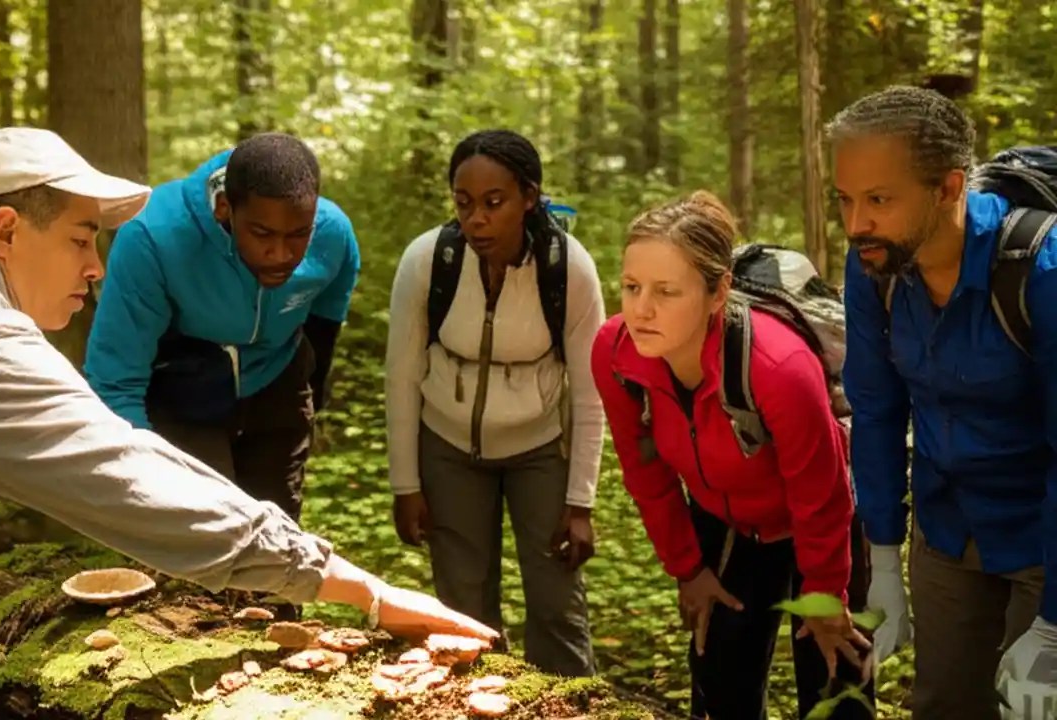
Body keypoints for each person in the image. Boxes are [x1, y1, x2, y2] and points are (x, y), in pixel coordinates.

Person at [0, 128, 494, 720]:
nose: (96, 268)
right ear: (4, 231)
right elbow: (130, 473)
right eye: (81, 238)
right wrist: (365, 591)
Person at [590, 191, 871, 719]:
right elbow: (645, 471)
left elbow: (823, 492)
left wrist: (828, 592)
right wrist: (687, 569)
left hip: (829, 524)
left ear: (718, 293)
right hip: (727, 523)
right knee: (721, 689)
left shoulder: (778, 366)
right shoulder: (615, 352)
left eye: (667, 291)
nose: (641, 309)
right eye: (631, 287)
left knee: (836, 686)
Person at [831, 85, 1057, 719]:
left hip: (1043, 533)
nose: (856, 225)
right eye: (845, 200)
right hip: (946, 525)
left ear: (949, 188)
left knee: (1032, 707)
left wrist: (1054, 627)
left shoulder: (1041, 272)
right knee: (942, 705)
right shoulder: (874, 264)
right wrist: (880, 556)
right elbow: (875, 410)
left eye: (879, 200)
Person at [384, 129, 604, 677]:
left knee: (556, 604)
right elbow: (403, 376)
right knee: (462, 604)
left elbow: (591, 389)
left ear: (529, 197)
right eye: (463, 203)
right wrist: (405, 486)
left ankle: (567, 706)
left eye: (493, 203)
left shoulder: (568, 269)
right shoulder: (427, 261)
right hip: (447, 444)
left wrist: (580, 503)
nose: (475, 220)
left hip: (538, 447)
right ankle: (476, 700)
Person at [84, 132, 359, 523]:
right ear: (225, 209)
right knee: (203, 528)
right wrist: (147, 478)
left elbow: (326, 317)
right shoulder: (152, 238)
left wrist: (312, 397)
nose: (283, 254)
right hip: (181, 386)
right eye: (263, 234)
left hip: (276, 379)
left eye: (299, 235)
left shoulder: (334, 233)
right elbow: (115, 380)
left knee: (274, 536)